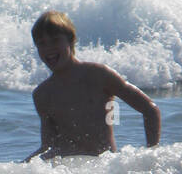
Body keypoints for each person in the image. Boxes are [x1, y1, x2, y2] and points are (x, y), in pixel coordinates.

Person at [26, 10, 161, 160]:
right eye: (42, 44)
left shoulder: (98, 75)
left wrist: (151, 155)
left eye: (55, 40)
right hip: (70, 172)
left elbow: (150, 109)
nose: (49, 48)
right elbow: (48, 147)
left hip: (103, 167)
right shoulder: (42, 94)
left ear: (71, 41)